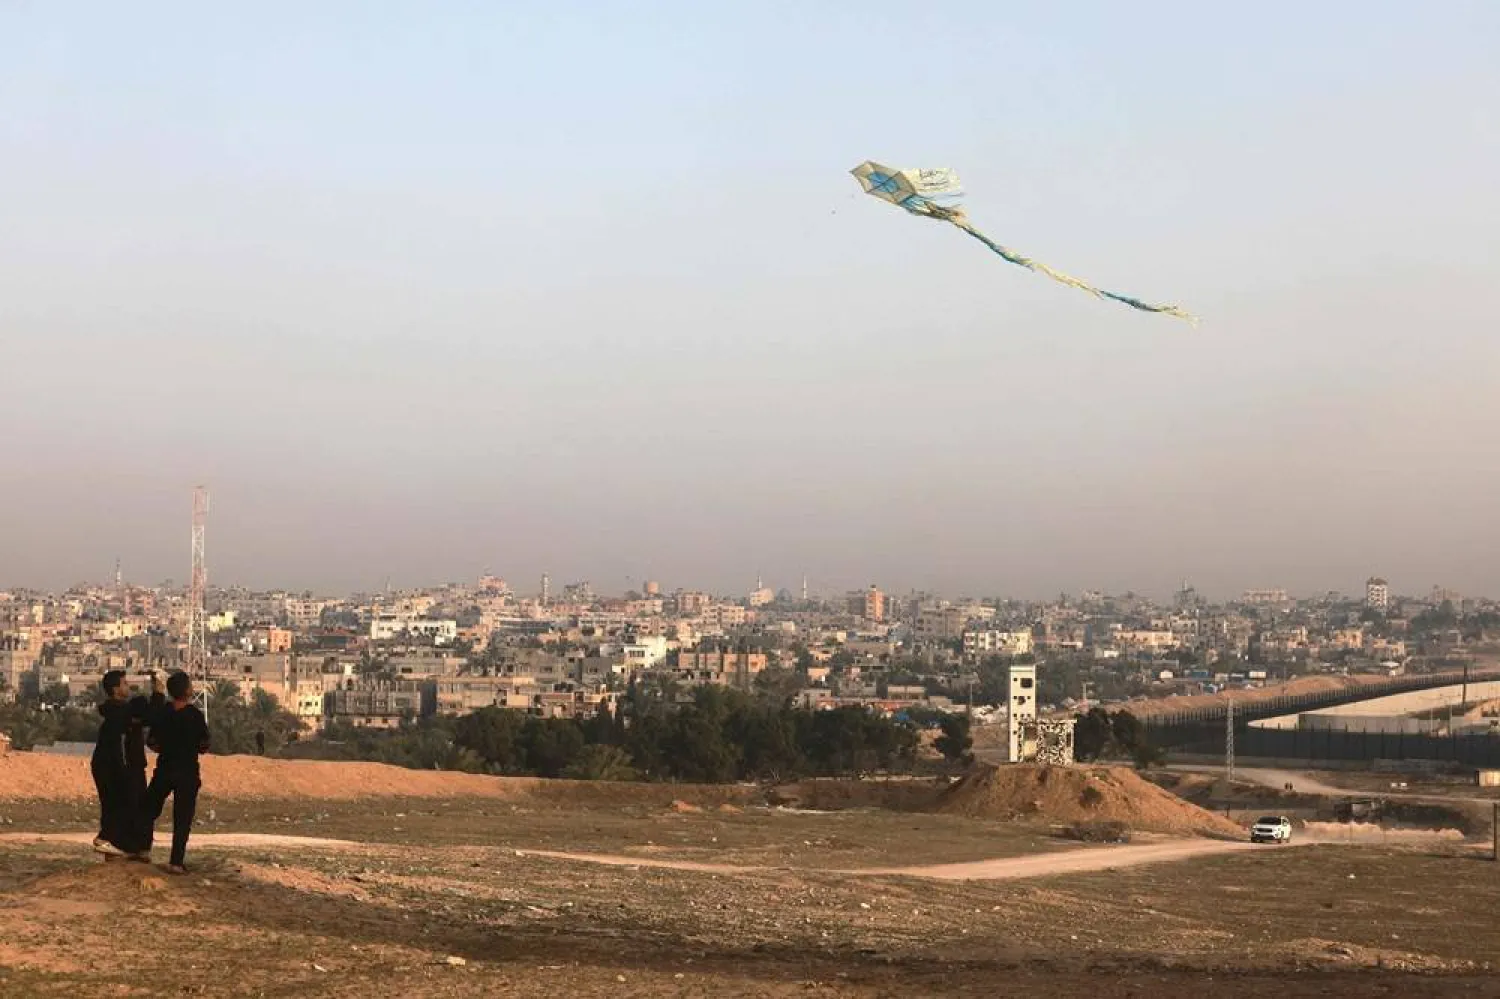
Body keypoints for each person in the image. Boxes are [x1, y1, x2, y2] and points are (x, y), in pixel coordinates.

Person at [147, 671, 210, 875]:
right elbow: (204, 745)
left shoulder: (163, 713)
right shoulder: (194, 716)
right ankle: (176, 862)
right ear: (187, 690)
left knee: (148, 810)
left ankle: (140, 849)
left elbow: (152, 742)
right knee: (182, 820)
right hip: (188, 773)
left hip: (164, 769)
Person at [90, 670, 134, 858]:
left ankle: (111, 844)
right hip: (108, 764)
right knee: (119, 802)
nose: (128, 687)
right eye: (125, 683)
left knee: (112, 803)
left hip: (106, 763)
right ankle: (104, 838)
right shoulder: (119, 711)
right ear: (116, 689)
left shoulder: (114, 710)